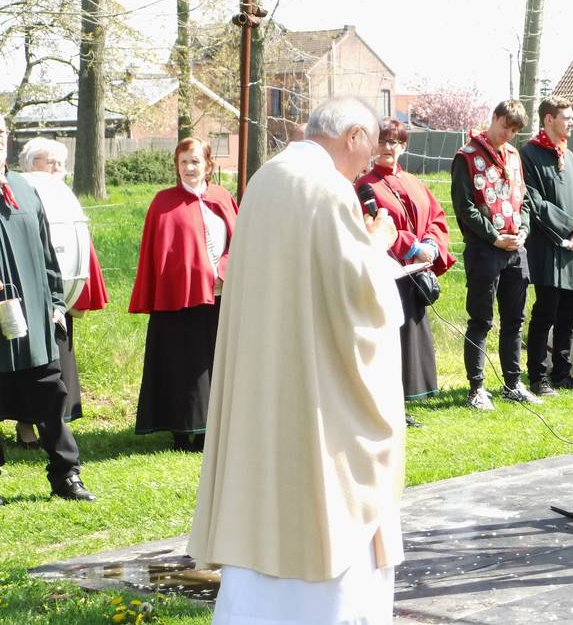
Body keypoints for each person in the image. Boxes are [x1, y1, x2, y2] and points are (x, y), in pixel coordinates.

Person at [187, 96, 405, 624]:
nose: (368, 163)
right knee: (324, 498)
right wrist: (378, 244)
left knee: (267, 490)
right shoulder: (327, 189)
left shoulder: (265, 178)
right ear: (353, 135)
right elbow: (359, 299)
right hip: (319, 394)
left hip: (267, 372)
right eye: (368, 150)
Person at [0, 107, 94, 506]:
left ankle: (66, 476)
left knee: (52, 400)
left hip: (34, 323)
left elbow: (46, 252)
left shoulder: (24, 188)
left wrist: (54, 301)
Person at [129, 138, 238, 450]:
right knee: (181, 364)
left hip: (219, 295)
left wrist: (224, 269)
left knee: (213, 362)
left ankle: (208, 431)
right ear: (177, 166)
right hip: (178, 298)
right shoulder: (163, 202)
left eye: (195, 162)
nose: (190, 168)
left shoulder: (222, 197)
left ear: (208, 165)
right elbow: (158, 253)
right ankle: (180, 430)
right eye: (183, 163)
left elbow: (238, 239)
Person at [8, 138, 109, 446]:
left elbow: (78, 247)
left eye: (59, 163)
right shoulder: (17, 193)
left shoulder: (63, 198)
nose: (56, 168)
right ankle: (25, 428)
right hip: (25, 295)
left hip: (59, 294)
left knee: (59, 358)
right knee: (28, 363)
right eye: (48, 161)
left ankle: (57, 425)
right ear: (29, 165)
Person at [356, 117, 455, 426]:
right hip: (389, 273)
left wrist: (432, 246)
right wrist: (411, 246)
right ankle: (389, 406)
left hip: (416, 275)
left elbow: (437, 218)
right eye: (383, 141)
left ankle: (406, 403)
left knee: (412, 342)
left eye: (395, 142)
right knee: (392, 342)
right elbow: (371, 225)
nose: (389, 148)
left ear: (403, 146)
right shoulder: (364, 185)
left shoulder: (414, 181)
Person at [452, 99, 540, 410]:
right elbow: (464, 207)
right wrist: (493, 237)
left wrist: (524, 230)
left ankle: (513, 383)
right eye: (505, 126)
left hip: (516, 249)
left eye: (515, 131)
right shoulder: (467, 156)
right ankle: (476, 389)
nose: (508, 134)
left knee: (515, 319)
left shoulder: (514, 156)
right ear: (494, 118)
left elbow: (524, 199)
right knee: (481, 319)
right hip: (484, 251)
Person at [522, 95, 573, 397]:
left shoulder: (571, 157)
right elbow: (536, 204)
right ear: (549, 119)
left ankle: (564, 374)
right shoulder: (529, 155)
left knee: (570, 315)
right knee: (545, 313)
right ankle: (538, 377)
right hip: (549, 249)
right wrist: (570, 226)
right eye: (566, 117)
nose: (572, 122)